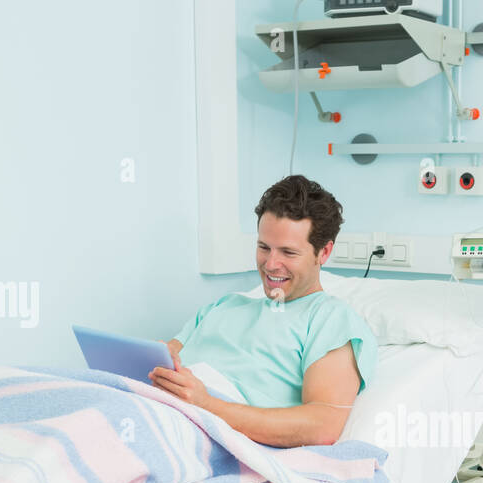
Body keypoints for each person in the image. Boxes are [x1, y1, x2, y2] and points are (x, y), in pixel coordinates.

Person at [148, 175, 377, 447]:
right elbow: (168, 358)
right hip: (157, 408)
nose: (271, 264)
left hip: (204, 432)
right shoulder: (224, 306)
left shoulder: (330, 320)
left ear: (324, 252)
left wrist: (207, 405)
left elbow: (322, 425)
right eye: (263, 247)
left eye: (288, 253)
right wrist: (154, 361)